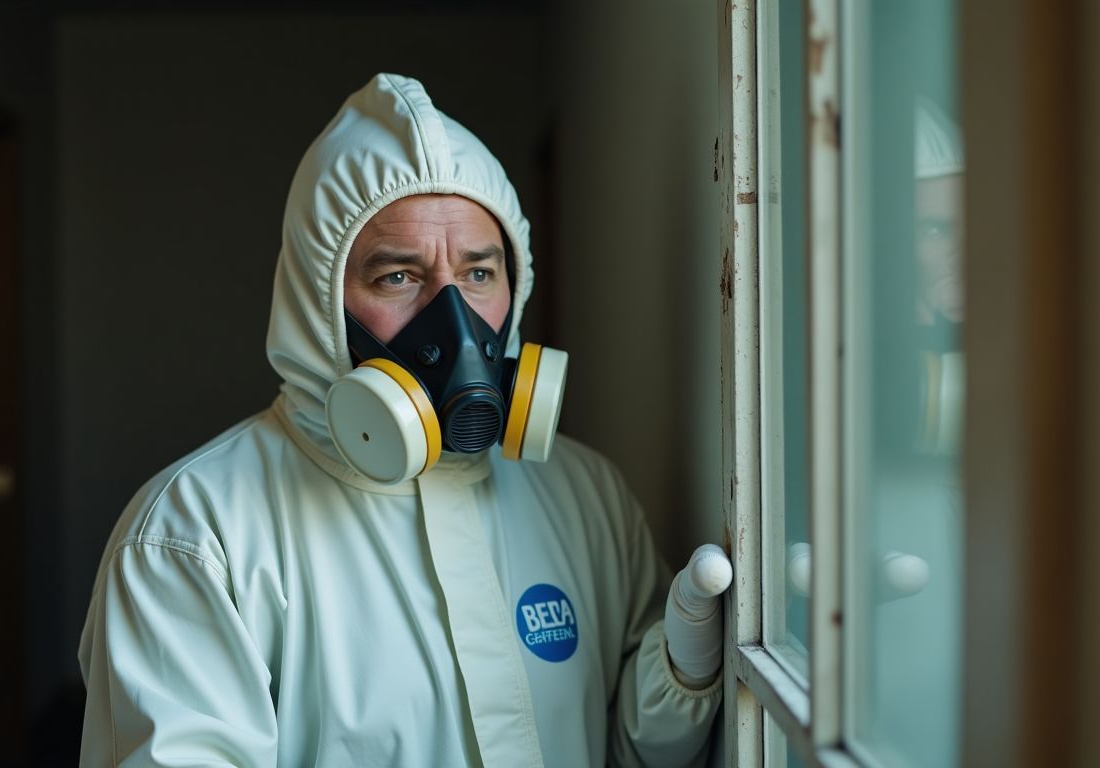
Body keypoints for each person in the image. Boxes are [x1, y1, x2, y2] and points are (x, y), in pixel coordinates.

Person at [78, 73, 730, 767]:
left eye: (479, 274)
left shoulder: (585, 496)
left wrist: (681, 673)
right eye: (398, 277)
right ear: (316, 302)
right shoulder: (194, 537)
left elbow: (628, 751)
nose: (452, 320)